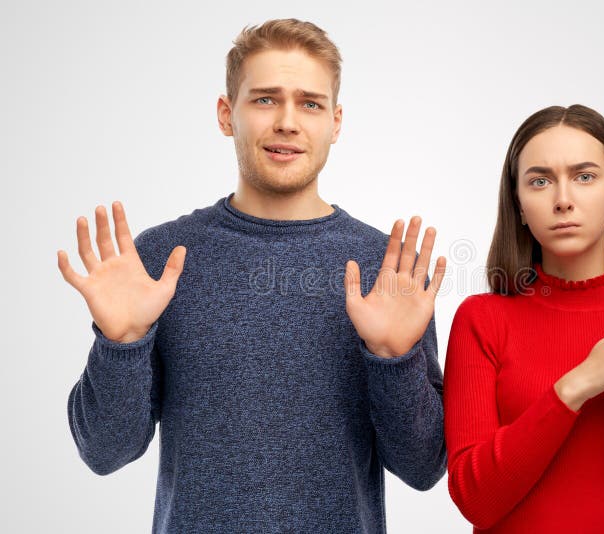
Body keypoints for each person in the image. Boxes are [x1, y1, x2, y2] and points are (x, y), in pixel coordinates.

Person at [59, 19, 447, 533]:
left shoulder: (387, 268)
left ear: (335, 123)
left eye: (310, 104)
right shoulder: (158, 261)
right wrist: (121, 343)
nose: (287, 122)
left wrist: (393, 359)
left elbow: (423, 468)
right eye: (265, 100)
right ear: (227, 114)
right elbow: (104, 452)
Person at [443, 104, 604, 533]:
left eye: (584, 177)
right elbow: (476, 499)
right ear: (519, 204)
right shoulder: (481, 320)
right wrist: (580, 382)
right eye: (540, 181)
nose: (563, 200)